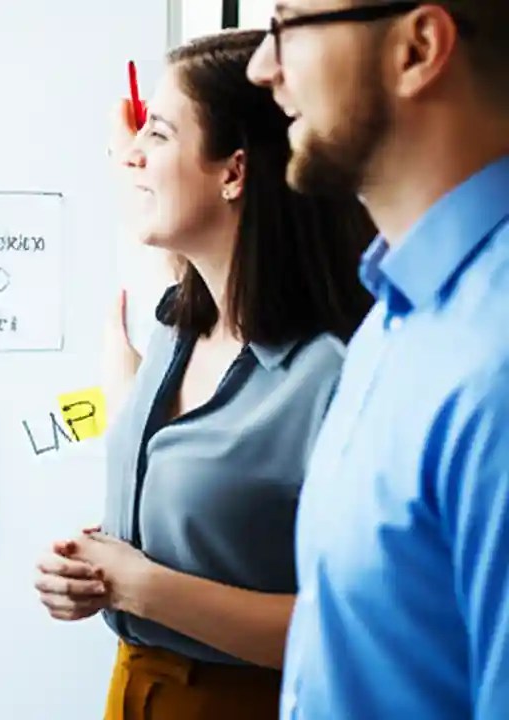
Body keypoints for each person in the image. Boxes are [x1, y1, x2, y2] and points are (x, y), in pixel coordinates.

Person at [33, 30, 377, 719]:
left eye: (158, 134)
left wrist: (139, 586)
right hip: (134, 690)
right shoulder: (173, 328)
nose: (133, 155)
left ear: (234, 171)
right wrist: (89, 571)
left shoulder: (334, 376)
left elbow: (352, 630)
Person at [247, 1, 509, 717]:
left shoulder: (493, 362)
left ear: (418, 48)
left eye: (286, 26)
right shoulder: (395, 316)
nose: (263, 68)